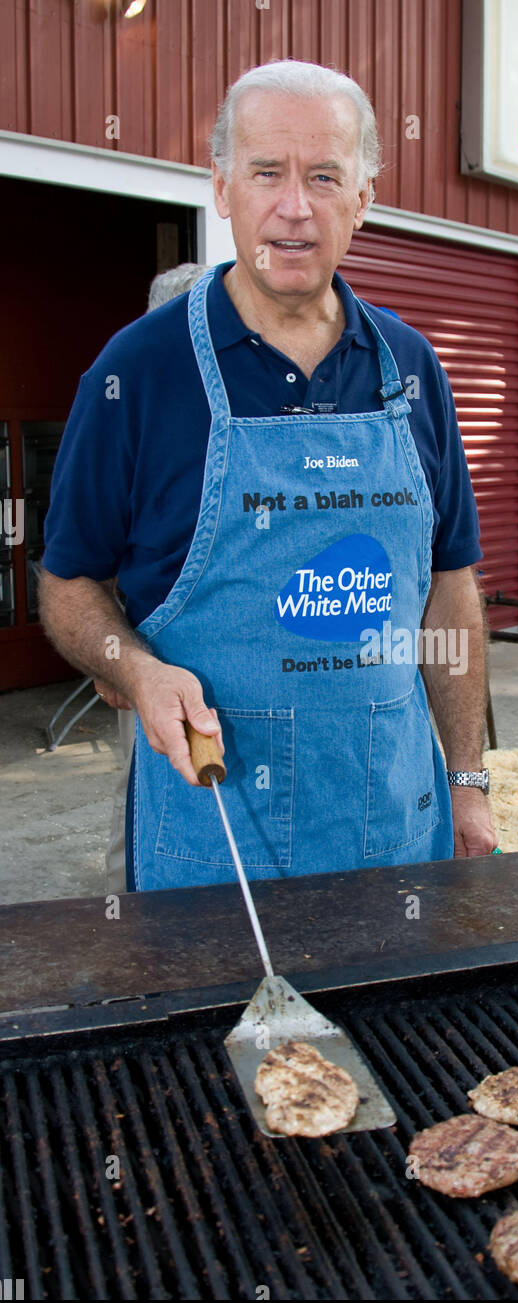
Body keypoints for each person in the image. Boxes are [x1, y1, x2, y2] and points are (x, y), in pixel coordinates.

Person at [39, 59, 496, 892]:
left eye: (325, 176)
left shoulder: (412, 366)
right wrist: (134, 668)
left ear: (363, 199)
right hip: (214, 847)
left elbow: (451, 587)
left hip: (398, 826)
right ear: (222, 188)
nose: (295, 207)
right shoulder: (138, 371)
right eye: (266, 174)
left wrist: (467, 782)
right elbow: (69, 585)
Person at [104, 262, 209, 894]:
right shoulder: (126, 412)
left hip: (231, 658)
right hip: (150, 656)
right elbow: (90, 561)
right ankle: (134, 952)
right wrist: (114, 658)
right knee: (142, 793)